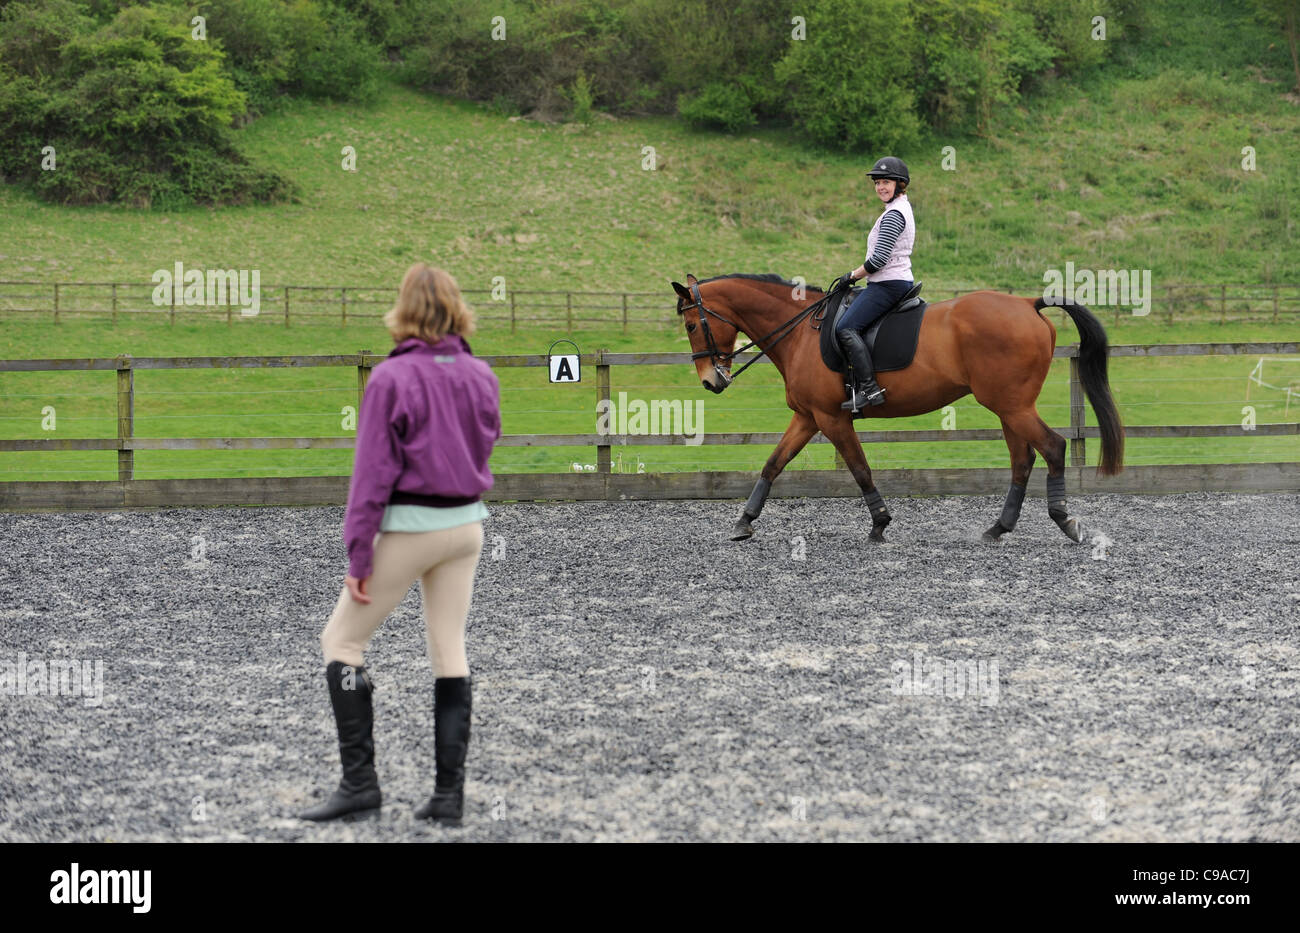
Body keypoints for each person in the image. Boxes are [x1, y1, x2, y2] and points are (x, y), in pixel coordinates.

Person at [301, 264, 501, 825]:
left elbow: (371, 477)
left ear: (404, 310)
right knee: (449, 650)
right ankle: (447, 798)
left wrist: (358, 554)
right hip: (466, 526)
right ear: (458, 308)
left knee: (341, 642)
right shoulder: (481, 374)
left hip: (411, 525)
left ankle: (361, 785)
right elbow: (487, 442)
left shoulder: (391, 379)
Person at [826, 156, 915, 411]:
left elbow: (877, 261)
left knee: (846, 327)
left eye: (886, 182)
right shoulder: (897, 209)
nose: (880, 188)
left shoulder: (894, 215)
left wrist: (851, 276)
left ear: (899, 184)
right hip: (891, 281)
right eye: (877, 183)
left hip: (888, 284)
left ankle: (870, 390)